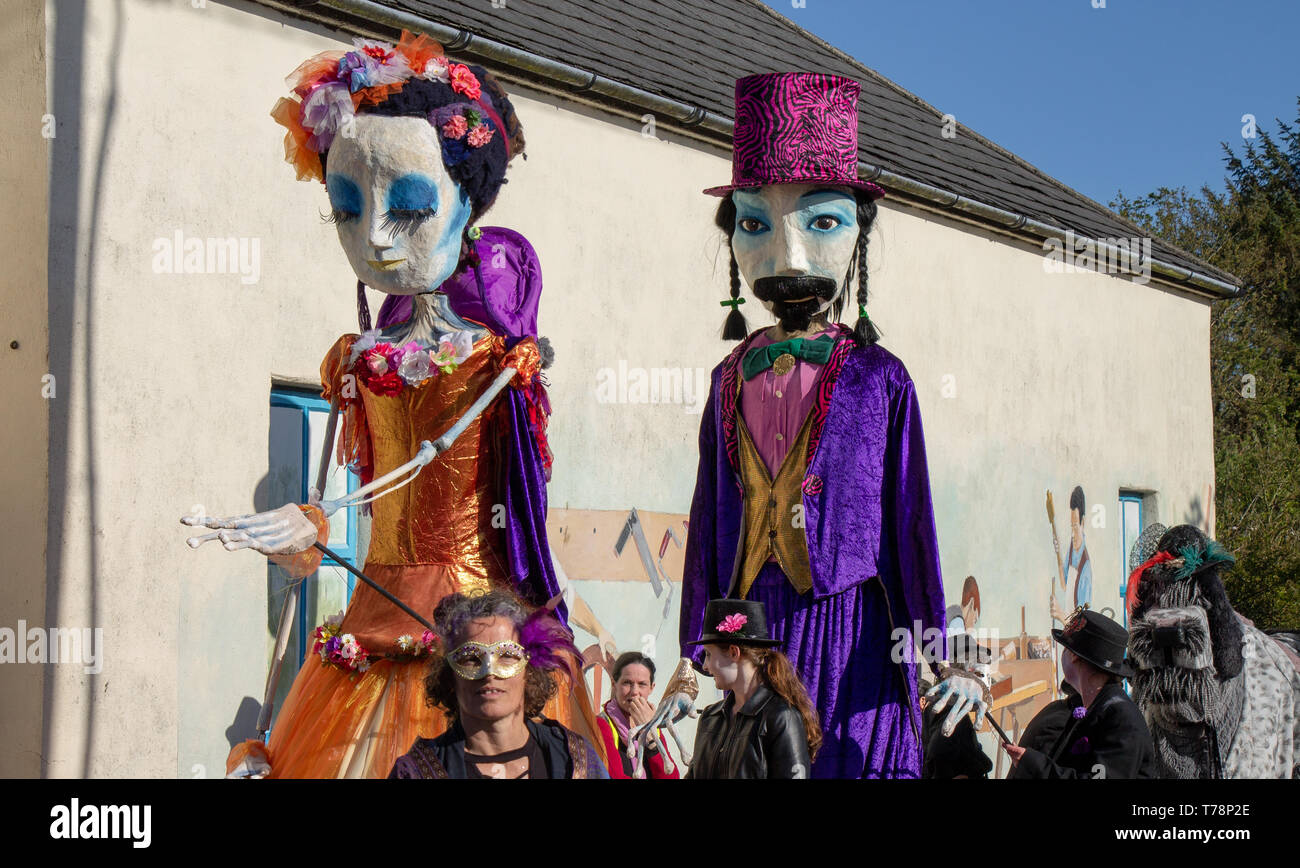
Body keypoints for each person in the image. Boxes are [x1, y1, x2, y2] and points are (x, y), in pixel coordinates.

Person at [184, 31, 602, 777]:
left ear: (468, 201)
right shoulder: (354, 359)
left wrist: (318, 518)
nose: (373, 238)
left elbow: (515, 506)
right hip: (370, 620)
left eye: (408, 208)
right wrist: (302, 533)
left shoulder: (495, 361)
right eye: (348, 208)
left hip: (475, 627)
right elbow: (329, 506)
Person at [680, 72, 987, 779]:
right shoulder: (727, 379)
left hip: (853, 633)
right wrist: (699, 643)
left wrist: (938, 651)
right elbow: (708, 513)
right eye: (757, 224)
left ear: (857, 236)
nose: (787, 258)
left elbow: (913, 521)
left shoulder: (882, 378)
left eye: (821, 223)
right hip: (753, 625)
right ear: (734, 242)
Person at [1128, 524, 1300, 778]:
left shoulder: (1155, 596)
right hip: (1176, 697)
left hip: (1194, 695)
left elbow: (1228, 652)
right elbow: (1229, 652)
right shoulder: (1201, 592)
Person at [389, 590, 608, 778]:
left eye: (506, 655)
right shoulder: (416, 771)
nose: (489, 672)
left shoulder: (575, 760)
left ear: (529, 671)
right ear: (450, 677)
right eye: (472, 658)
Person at [1004, 609, 1156, 778]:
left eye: (1065, 649)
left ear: (1074, 656)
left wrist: (1034, 764)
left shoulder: (1123, 719)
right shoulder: (1093, 708)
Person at [685, 600, 817, 779]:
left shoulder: (782, 717)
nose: (705, 666)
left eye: (708, 654)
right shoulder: (710, 717)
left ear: (734, 652)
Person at [595, 652, 681, 778]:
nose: (635, 692)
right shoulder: (601, 724)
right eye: (627, 683)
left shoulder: (650, 722)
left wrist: (650, 737)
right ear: (614, 684)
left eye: (642, 684)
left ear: (651, 688)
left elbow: (671, 775)